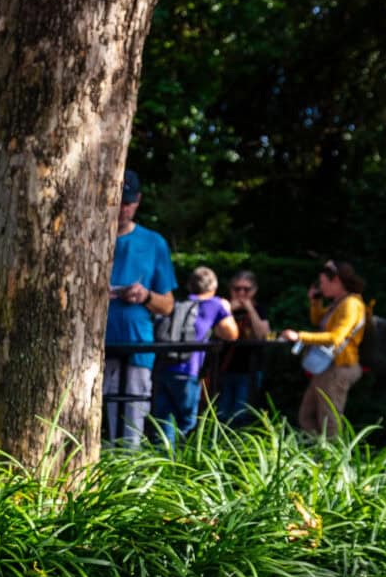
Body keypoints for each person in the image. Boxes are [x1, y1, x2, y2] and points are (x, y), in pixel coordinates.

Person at [103, 169, 177, 448]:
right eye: (119, 201)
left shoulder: (153, 243)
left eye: (129, 202)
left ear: (138, 200)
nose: (123, 208)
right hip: (95, 349)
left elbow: (167, 305)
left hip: (136, 346)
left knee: (130, 429)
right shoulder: (91, 236)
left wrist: (145, 296)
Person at [150, 267, 238, 443]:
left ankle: (161, 460)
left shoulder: (178, 303)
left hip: (163, 367)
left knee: (164, 420)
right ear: (214, 286)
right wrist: (227, 309)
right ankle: (179, 463)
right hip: (188, 370)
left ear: (190, 286)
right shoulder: (215, 305)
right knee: (187, 420)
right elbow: (231, 334)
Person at [283, 260, 369, 438]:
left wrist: (299, 336)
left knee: (329, 422)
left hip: (340, 367)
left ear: (336, 280)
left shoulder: (351, 304)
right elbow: (319, 322)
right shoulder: (339, 302)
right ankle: (317, 456)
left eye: (322, 283)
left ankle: (332, 462)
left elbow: (336, 337)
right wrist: (315, 302)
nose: (320, 287)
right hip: (327, 367)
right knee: (306, 416)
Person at [213, 269, 273, 426]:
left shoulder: (260, 310)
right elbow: (211, 331)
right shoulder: (223, 308)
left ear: (254, 291)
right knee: (221, 414)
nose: (241, 293)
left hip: (249, 371)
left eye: (246, 289)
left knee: (242, 414)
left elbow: (263, 335)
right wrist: (227, 311)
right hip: (224, 369)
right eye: (237, 289)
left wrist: (250, 310)